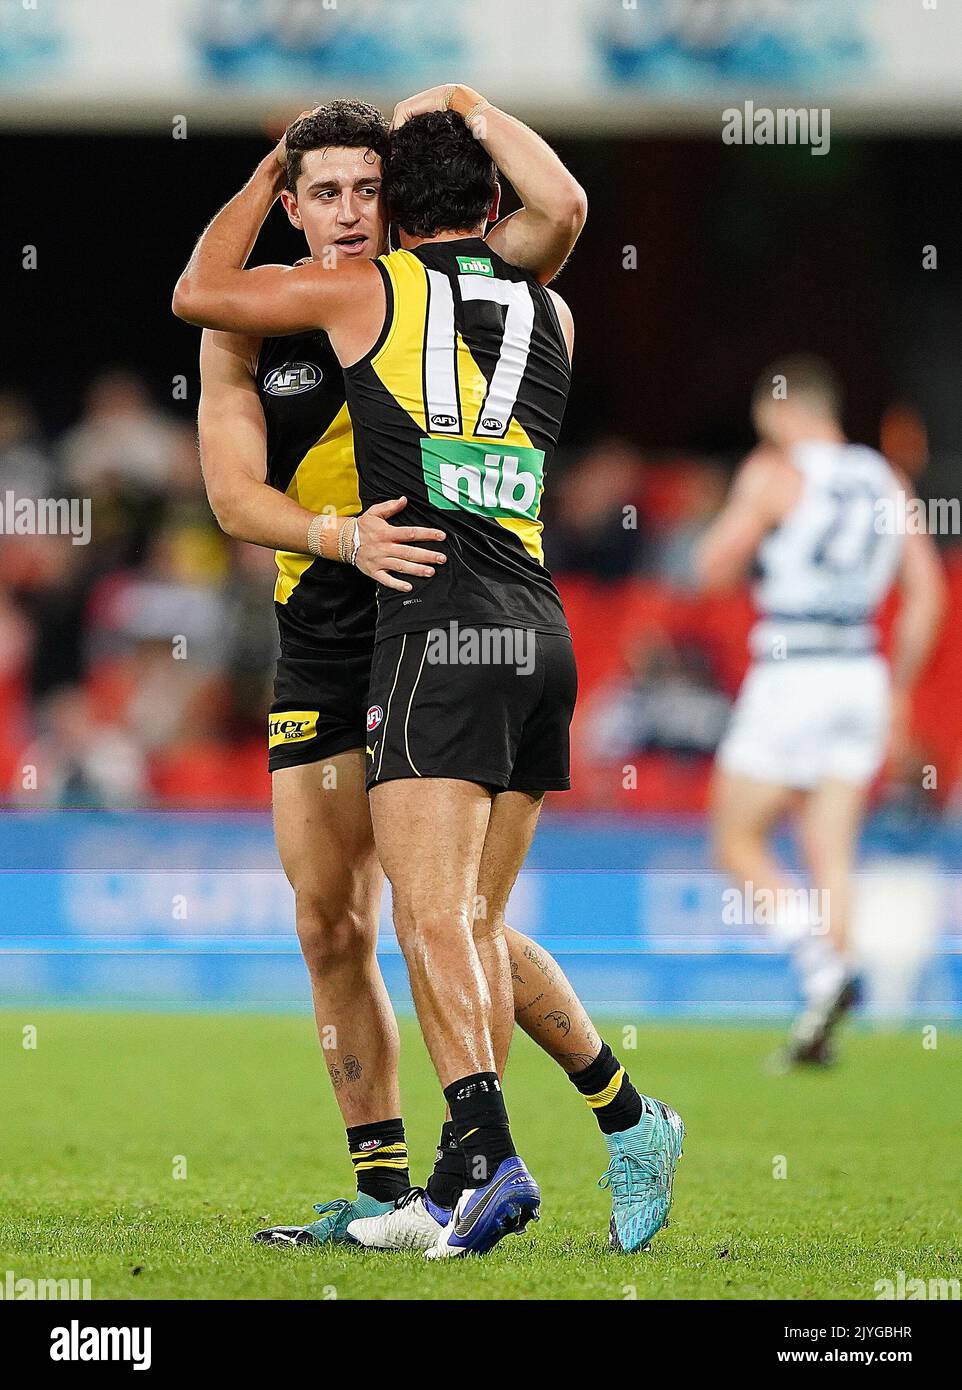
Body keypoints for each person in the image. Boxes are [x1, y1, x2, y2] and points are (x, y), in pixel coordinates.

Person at [176, 87, 683, 1257]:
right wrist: (337, 536)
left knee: (455, 917)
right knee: (331, 919)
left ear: (397, 205)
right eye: (329, 191)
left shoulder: (408, 290)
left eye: (372, 189)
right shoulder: (262, 320)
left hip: (433, 618)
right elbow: (229, 495)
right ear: (294, 204)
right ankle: (409, 1178)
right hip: (342, 624)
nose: (352, 211)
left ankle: (485, 1163)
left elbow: (549, 216)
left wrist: (461, 112)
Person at [695, 355, 945, 1067]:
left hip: (792, 667)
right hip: (861, 670)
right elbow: (927, 594)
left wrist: (728, 519)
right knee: (829, 851)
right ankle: (817, 1029)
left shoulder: (776, 472)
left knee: (735, 838)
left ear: (783, 411)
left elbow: (711, 567)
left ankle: (825, 970)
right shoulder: (884, 476)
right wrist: (898, 689)